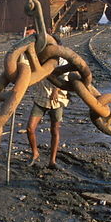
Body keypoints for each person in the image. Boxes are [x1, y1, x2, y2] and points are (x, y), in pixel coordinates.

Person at [26, 37, 69, 169]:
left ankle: (52, 161)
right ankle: (35, 153)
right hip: (41, 97)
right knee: (30, 128)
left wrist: (56, 89)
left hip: (57, 100)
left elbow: (65, 77)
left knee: (55, 130)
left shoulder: (62, 61)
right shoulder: (38, 59)